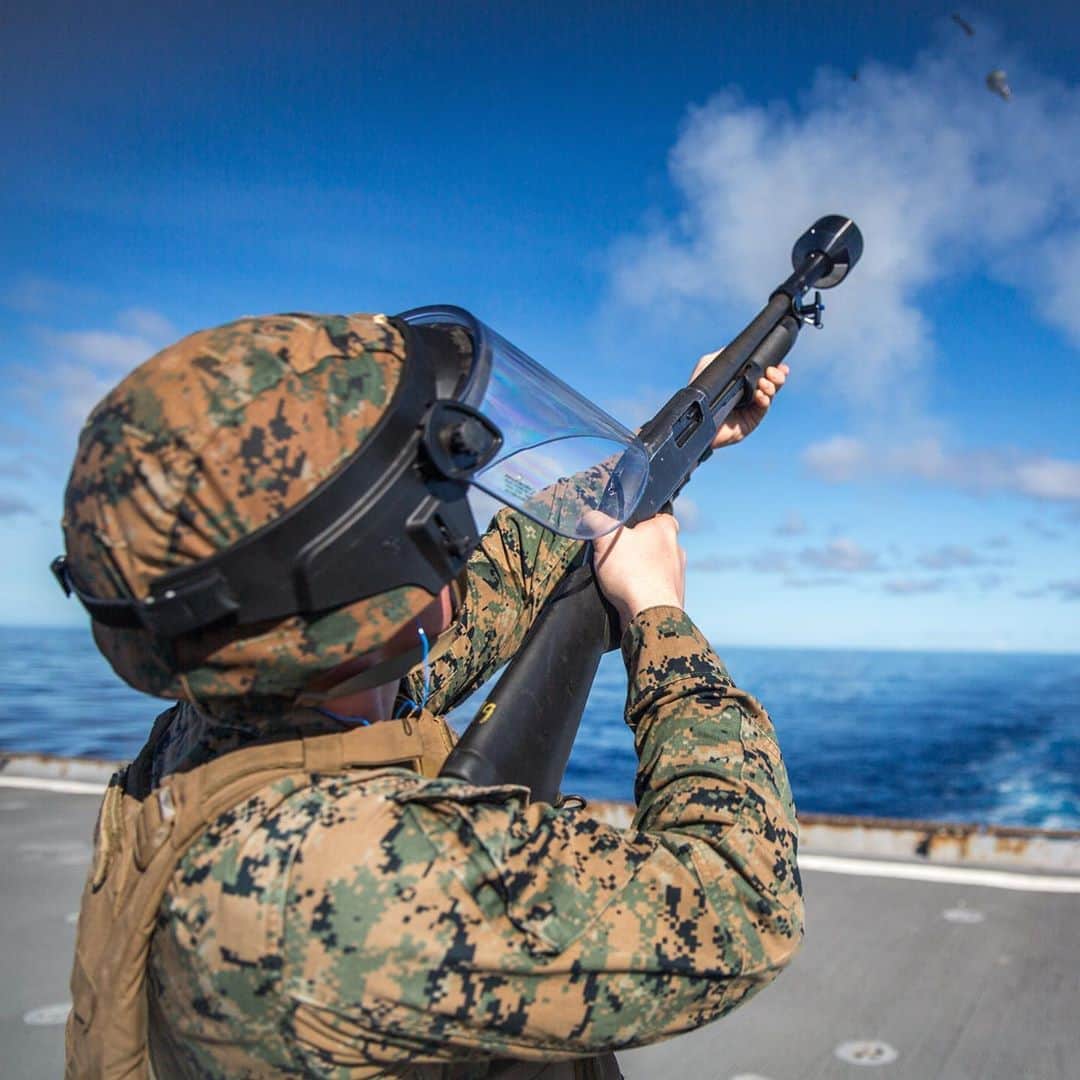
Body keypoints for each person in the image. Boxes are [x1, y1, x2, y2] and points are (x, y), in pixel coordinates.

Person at [55, 309, 799, 1079]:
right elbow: (744, 903)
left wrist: (667, 444)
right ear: (358, 563)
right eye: (426, 487)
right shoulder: (338, 884)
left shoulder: (235, 716)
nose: (451, 518)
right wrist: (657, 614)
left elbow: (485, 598)